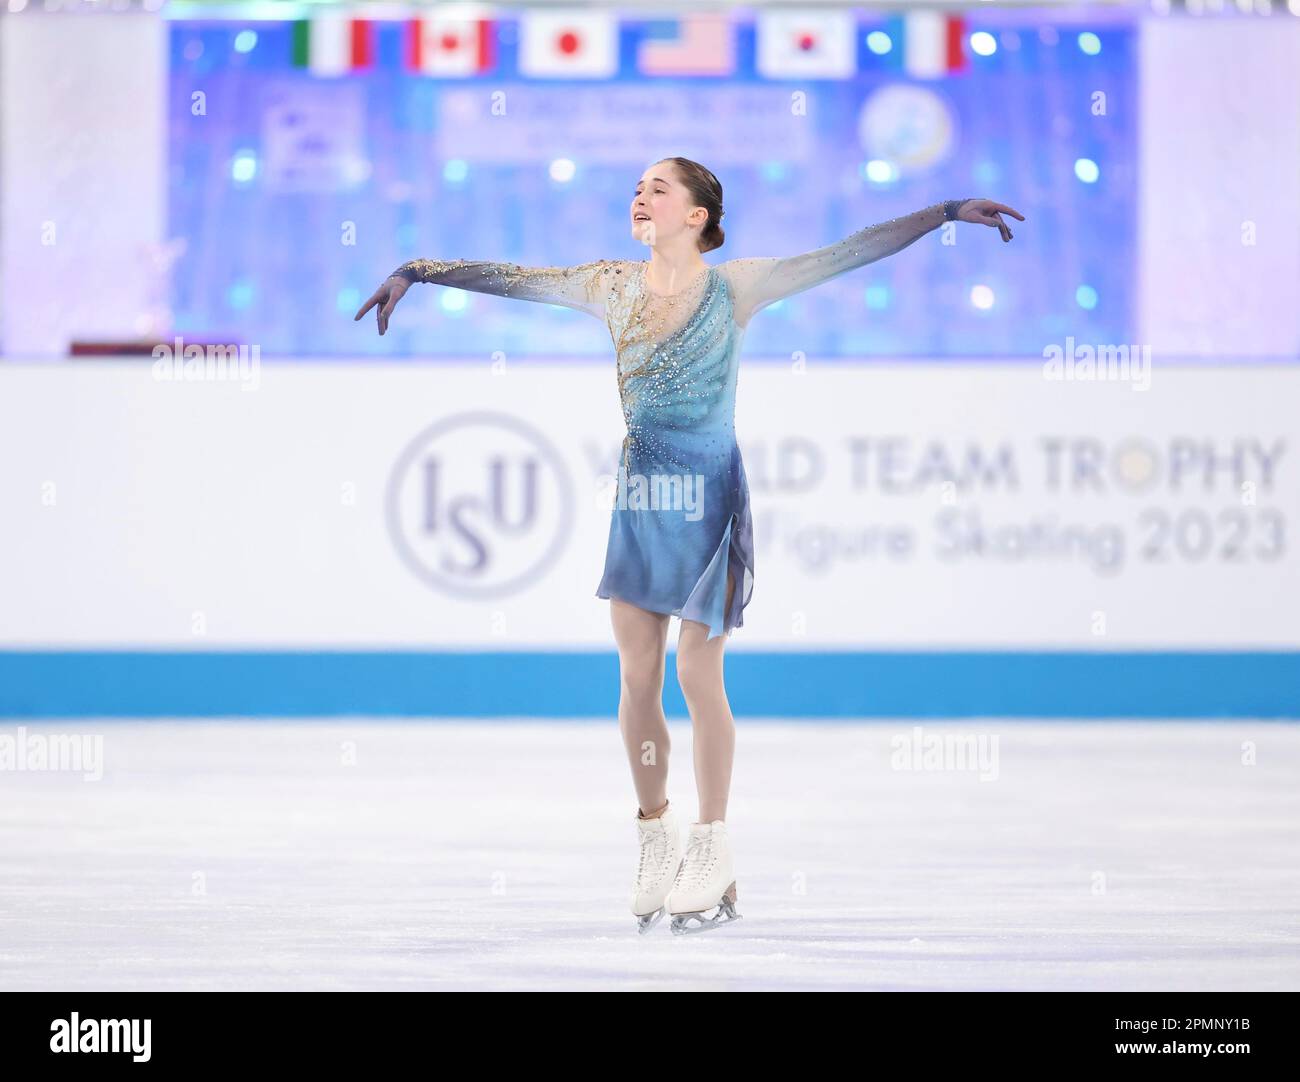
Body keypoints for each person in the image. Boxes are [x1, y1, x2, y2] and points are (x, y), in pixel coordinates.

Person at [356, 156, 1024, 934]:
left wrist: (943, 211)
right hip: (642, 497)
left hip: (710, 501)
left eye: (657, 189)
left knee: (695, 668)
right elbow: (514, 277)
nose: (640, 196)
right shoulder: (610, 284)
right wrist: (418, 271)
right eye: (637, 188)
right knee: (637, 676)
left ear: (698, 214)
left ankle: (714, 843)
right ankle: (654, 830)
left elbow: (848, 252)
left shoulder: (737, 286)